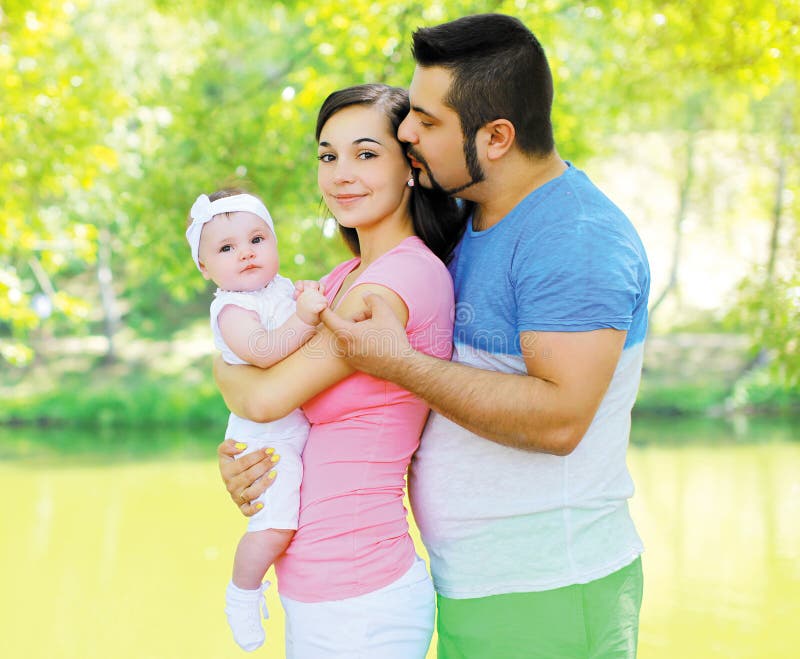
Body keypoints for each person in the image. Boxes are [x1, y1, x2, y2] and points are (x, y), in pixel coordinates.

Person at [220, 13, 651, 659]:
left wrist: (399, 364)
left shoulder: (575, 239)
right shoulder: (467, 228)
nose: (409, 134)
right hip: (468, 583)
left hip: (551, 588)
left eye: (427, 121)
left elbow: (561, 420)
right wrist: (258, 459)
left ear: (497, 136)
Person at [213, 83, 466, 658]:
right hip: (318, 591)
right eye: (329, 156)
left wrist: (222, 367)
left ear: (411, 166)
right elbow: (262, 401)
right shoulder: (339, 280)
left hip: (362, 596)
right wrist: (243, 463)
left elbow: (263, 396)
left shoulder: (390, 286)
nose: (341, 173)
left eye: (366, 153)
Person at [185, 188, 328, 651]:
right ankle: (242, 593)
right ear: (205, 267)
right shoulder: (232, 309)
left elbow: (299, 304)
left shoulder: (282, 288)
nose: (245, 253)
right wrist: (308, 318)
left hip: (293, 429)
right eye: (226, 248)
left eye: (256, 239)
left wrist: (305, 294)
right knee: (274, 527)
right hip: (266, 442)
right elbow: (264, 353)